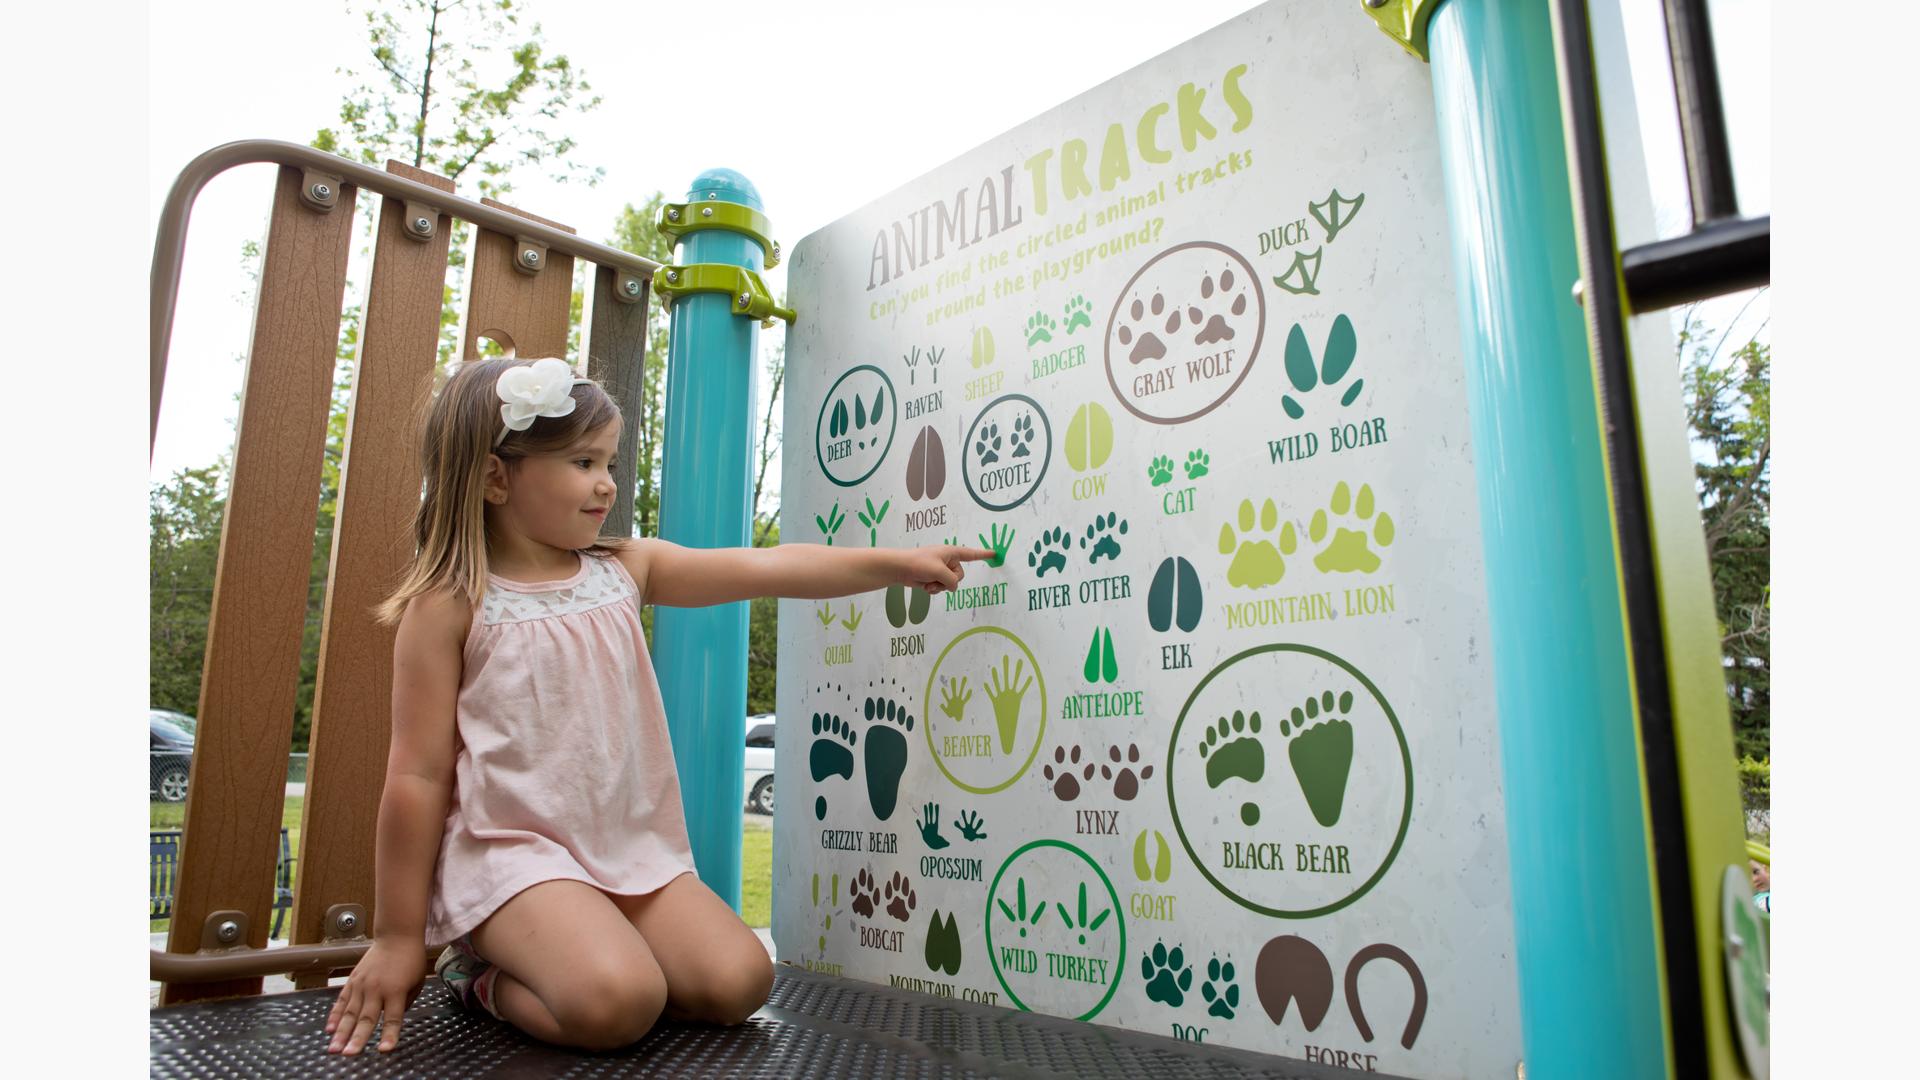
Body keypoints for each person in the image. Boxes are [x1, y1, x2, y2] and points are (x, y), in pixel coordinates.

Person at [323, 356, 994, 1055]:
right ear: (496, 477)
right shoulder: (451, 604)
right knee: (619, 1003)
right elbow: (418, 776)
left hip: (627, 850)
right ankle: (475, 973)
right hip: (514, 856)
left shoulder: (624, 569)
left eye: (609, 461)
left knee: (739, 982)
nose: (606, 482)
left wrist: (899, 563)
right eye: (583, 462)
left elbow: (763, 567)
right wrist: (399, 938)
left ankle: (593, 946)